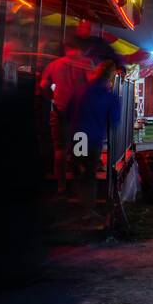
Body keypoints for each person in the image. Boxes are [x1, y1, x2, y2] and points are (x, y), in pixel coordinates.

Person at [38, 38, 94, 196]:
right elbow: (92, 83)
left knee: (60, 149)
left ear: (66, 48)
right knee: (80, 147)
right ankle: (78, 181)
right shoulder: (85, 63)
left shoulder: (54, 65)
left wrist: (52, 97)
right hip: (80, 112)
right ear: (78, 48)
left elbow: (43, 86)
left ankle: (61, 186)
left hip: (59, 110)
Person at [71, 60, 122, 219]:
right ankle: (87, 209)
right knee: (90, 172)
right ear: (112, 76)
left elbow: (69, 111)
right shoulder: (110, 96)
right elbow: (114, 120)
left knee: (79, 169)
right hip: (94, 138)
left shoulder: (82, 90)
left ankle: (79, 202)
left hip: (79, 136)